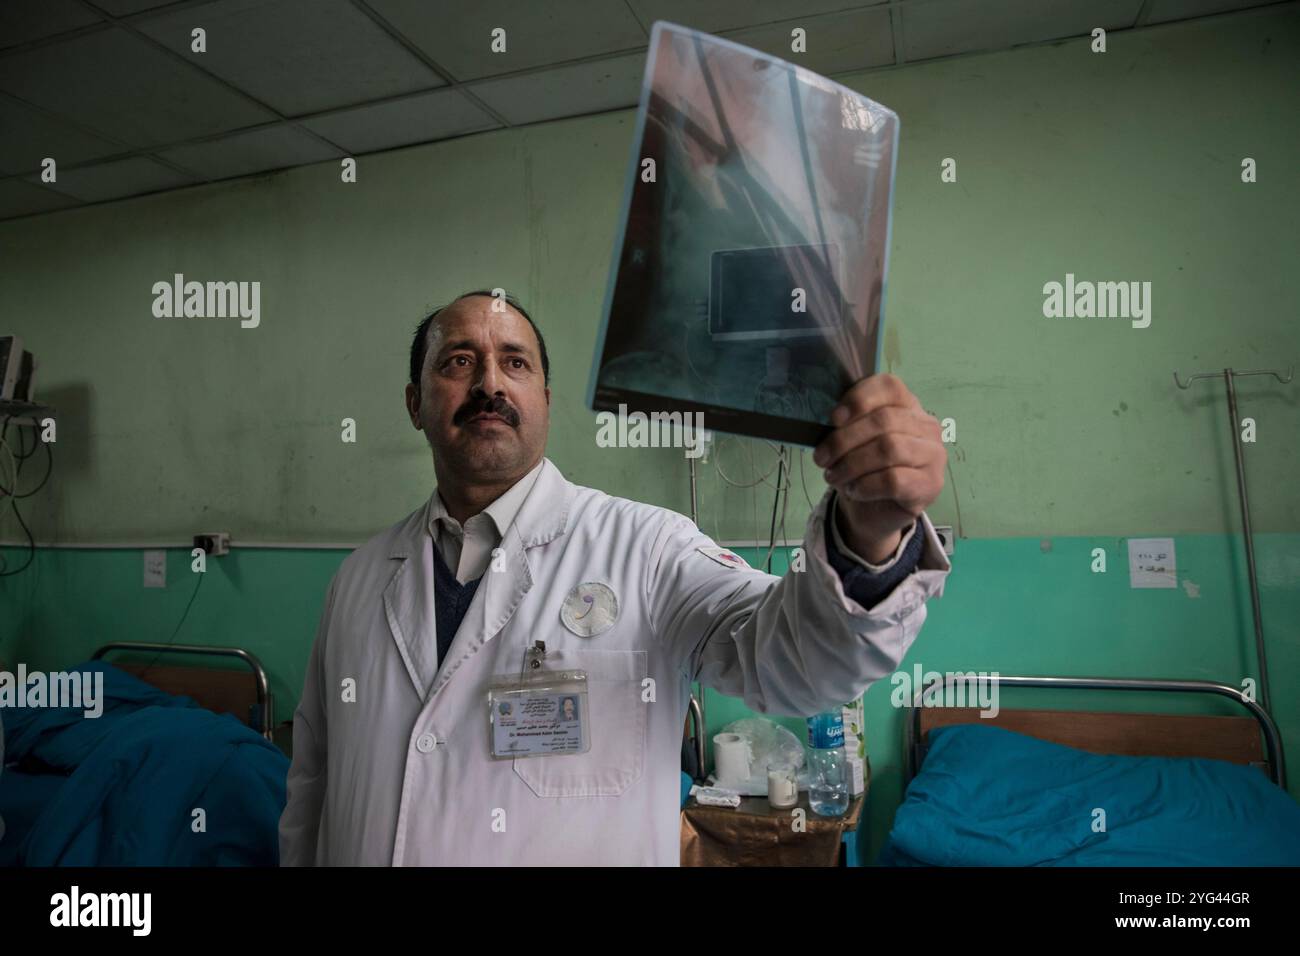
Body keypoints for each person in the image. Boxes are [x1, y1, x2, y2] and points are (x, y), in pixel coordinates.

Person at [279, 290, 951, 866]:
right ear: (415, 402)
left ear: (544, 399)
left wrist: (867, 536)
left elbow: (796, 663)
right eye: (458, 361)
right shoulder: (357, 581)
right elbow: (313, 783)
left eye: (515, 362)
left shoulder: (647, 550)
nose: (490, 384)